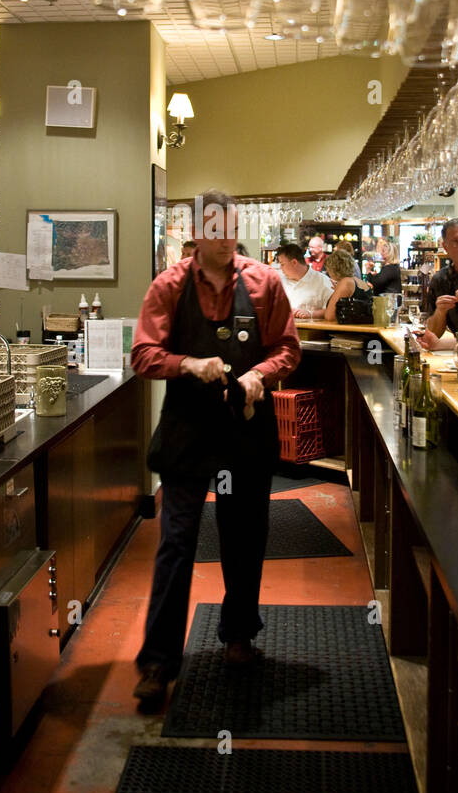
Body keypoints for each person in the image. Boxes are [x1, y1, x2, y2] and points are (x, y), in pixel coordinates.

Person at [130, 190, 301, 706]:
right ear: (196, 232)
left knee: (244, 535)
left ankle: (239, 634)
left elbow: (287, 349)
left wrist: (258, 376)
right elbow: (142, 353)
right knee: (177, 541)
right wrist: (187, 364)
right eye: (214, 228)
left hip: (244, 427)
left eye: (231, 227)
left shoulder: (265, 282)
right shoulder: (169, 286)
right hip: (187, 429)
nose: (224, 237)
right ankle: (159, 661)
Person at [276, 242, 333, 318]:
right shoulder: (279, 280)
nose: (280, 268)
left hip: (309, 329)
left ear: (294, 262)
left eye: (282, 264)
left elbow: (333, 310)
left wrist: (311, 314)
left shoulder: (323, 282)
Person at [322, 249, 373, 322]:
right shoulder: (360, 282)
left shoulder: (346, 283)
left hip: (345, 332)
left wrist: (337, 290)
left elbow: (329, 316)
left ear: (333, 269)